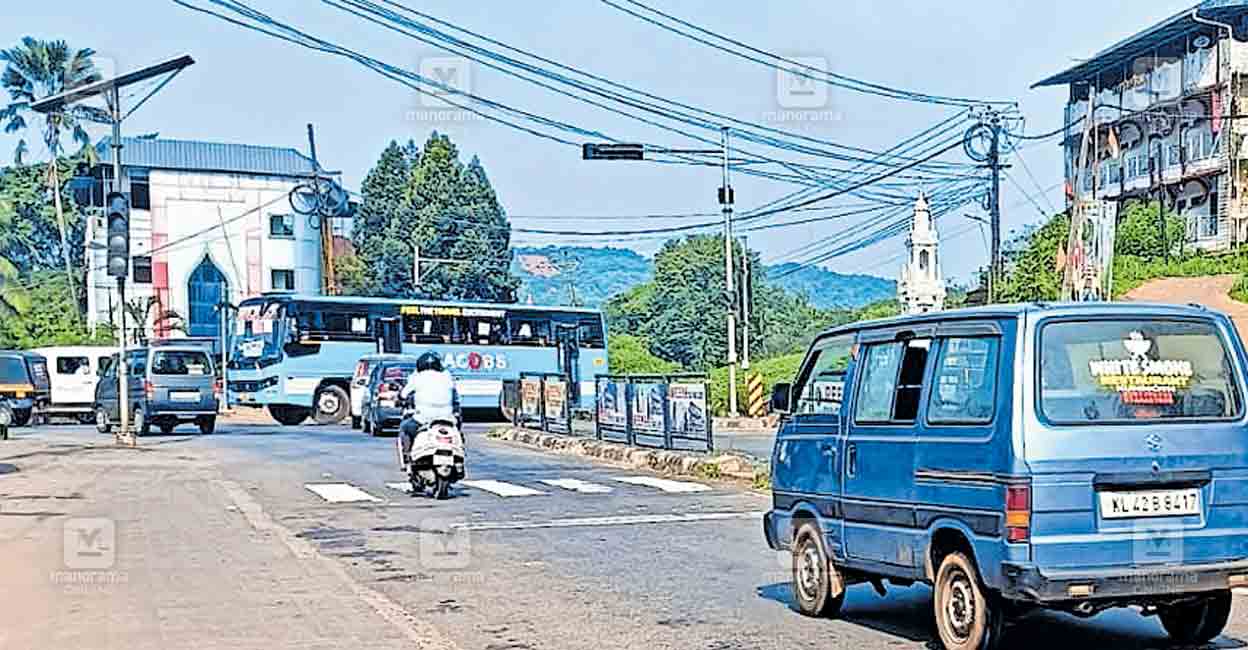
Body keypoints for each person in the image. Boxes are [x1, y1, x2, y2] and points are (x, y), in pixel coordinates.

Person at [398, 352, 460, 468]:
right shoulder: (447, 377)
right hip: (447, 418)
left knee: (405, 428)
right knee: (458, 429)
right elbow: (455, 397)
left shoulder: (416, 377)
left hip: (423, 418)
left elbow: (403, 394)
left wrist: (400, 399)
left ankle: (408, 458)